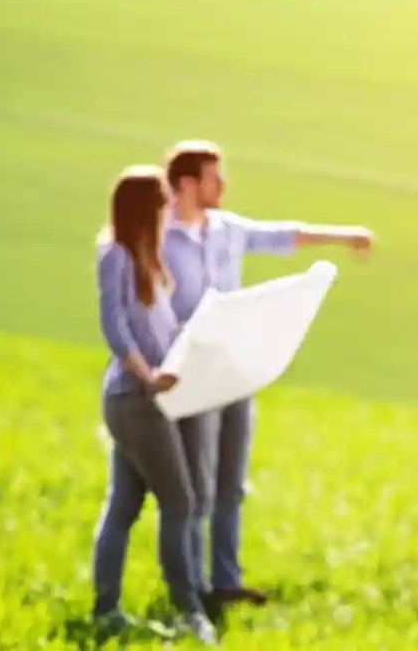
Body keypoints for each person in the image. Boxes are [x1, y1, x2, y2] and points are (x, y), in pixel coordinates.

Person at [162, 139, 374, 610]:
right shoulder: (159, 237)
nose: (224, 184)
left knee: (231, 484)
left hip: (235, 370)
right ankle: (191, 587)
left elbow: (285, 235)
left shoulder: (229, 230)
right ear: (188, 183)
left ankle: (225, 581)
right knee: (196, 485)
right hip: (191, 374)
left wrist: (345, 235)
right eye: (215, 177)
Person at [90, 164, 219, 645]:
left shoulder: (149, 262)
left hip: (143, 398)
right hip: (134, 398)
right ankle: (190, 612)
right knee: (179, 502)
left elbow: (160, 331)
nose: (169, 210)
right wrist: (148, 377)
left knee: (124, 505)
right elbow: (114, 326)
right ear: (146, 208)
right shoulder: (116, 255)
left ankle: (106, 610)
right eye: (163, 202)